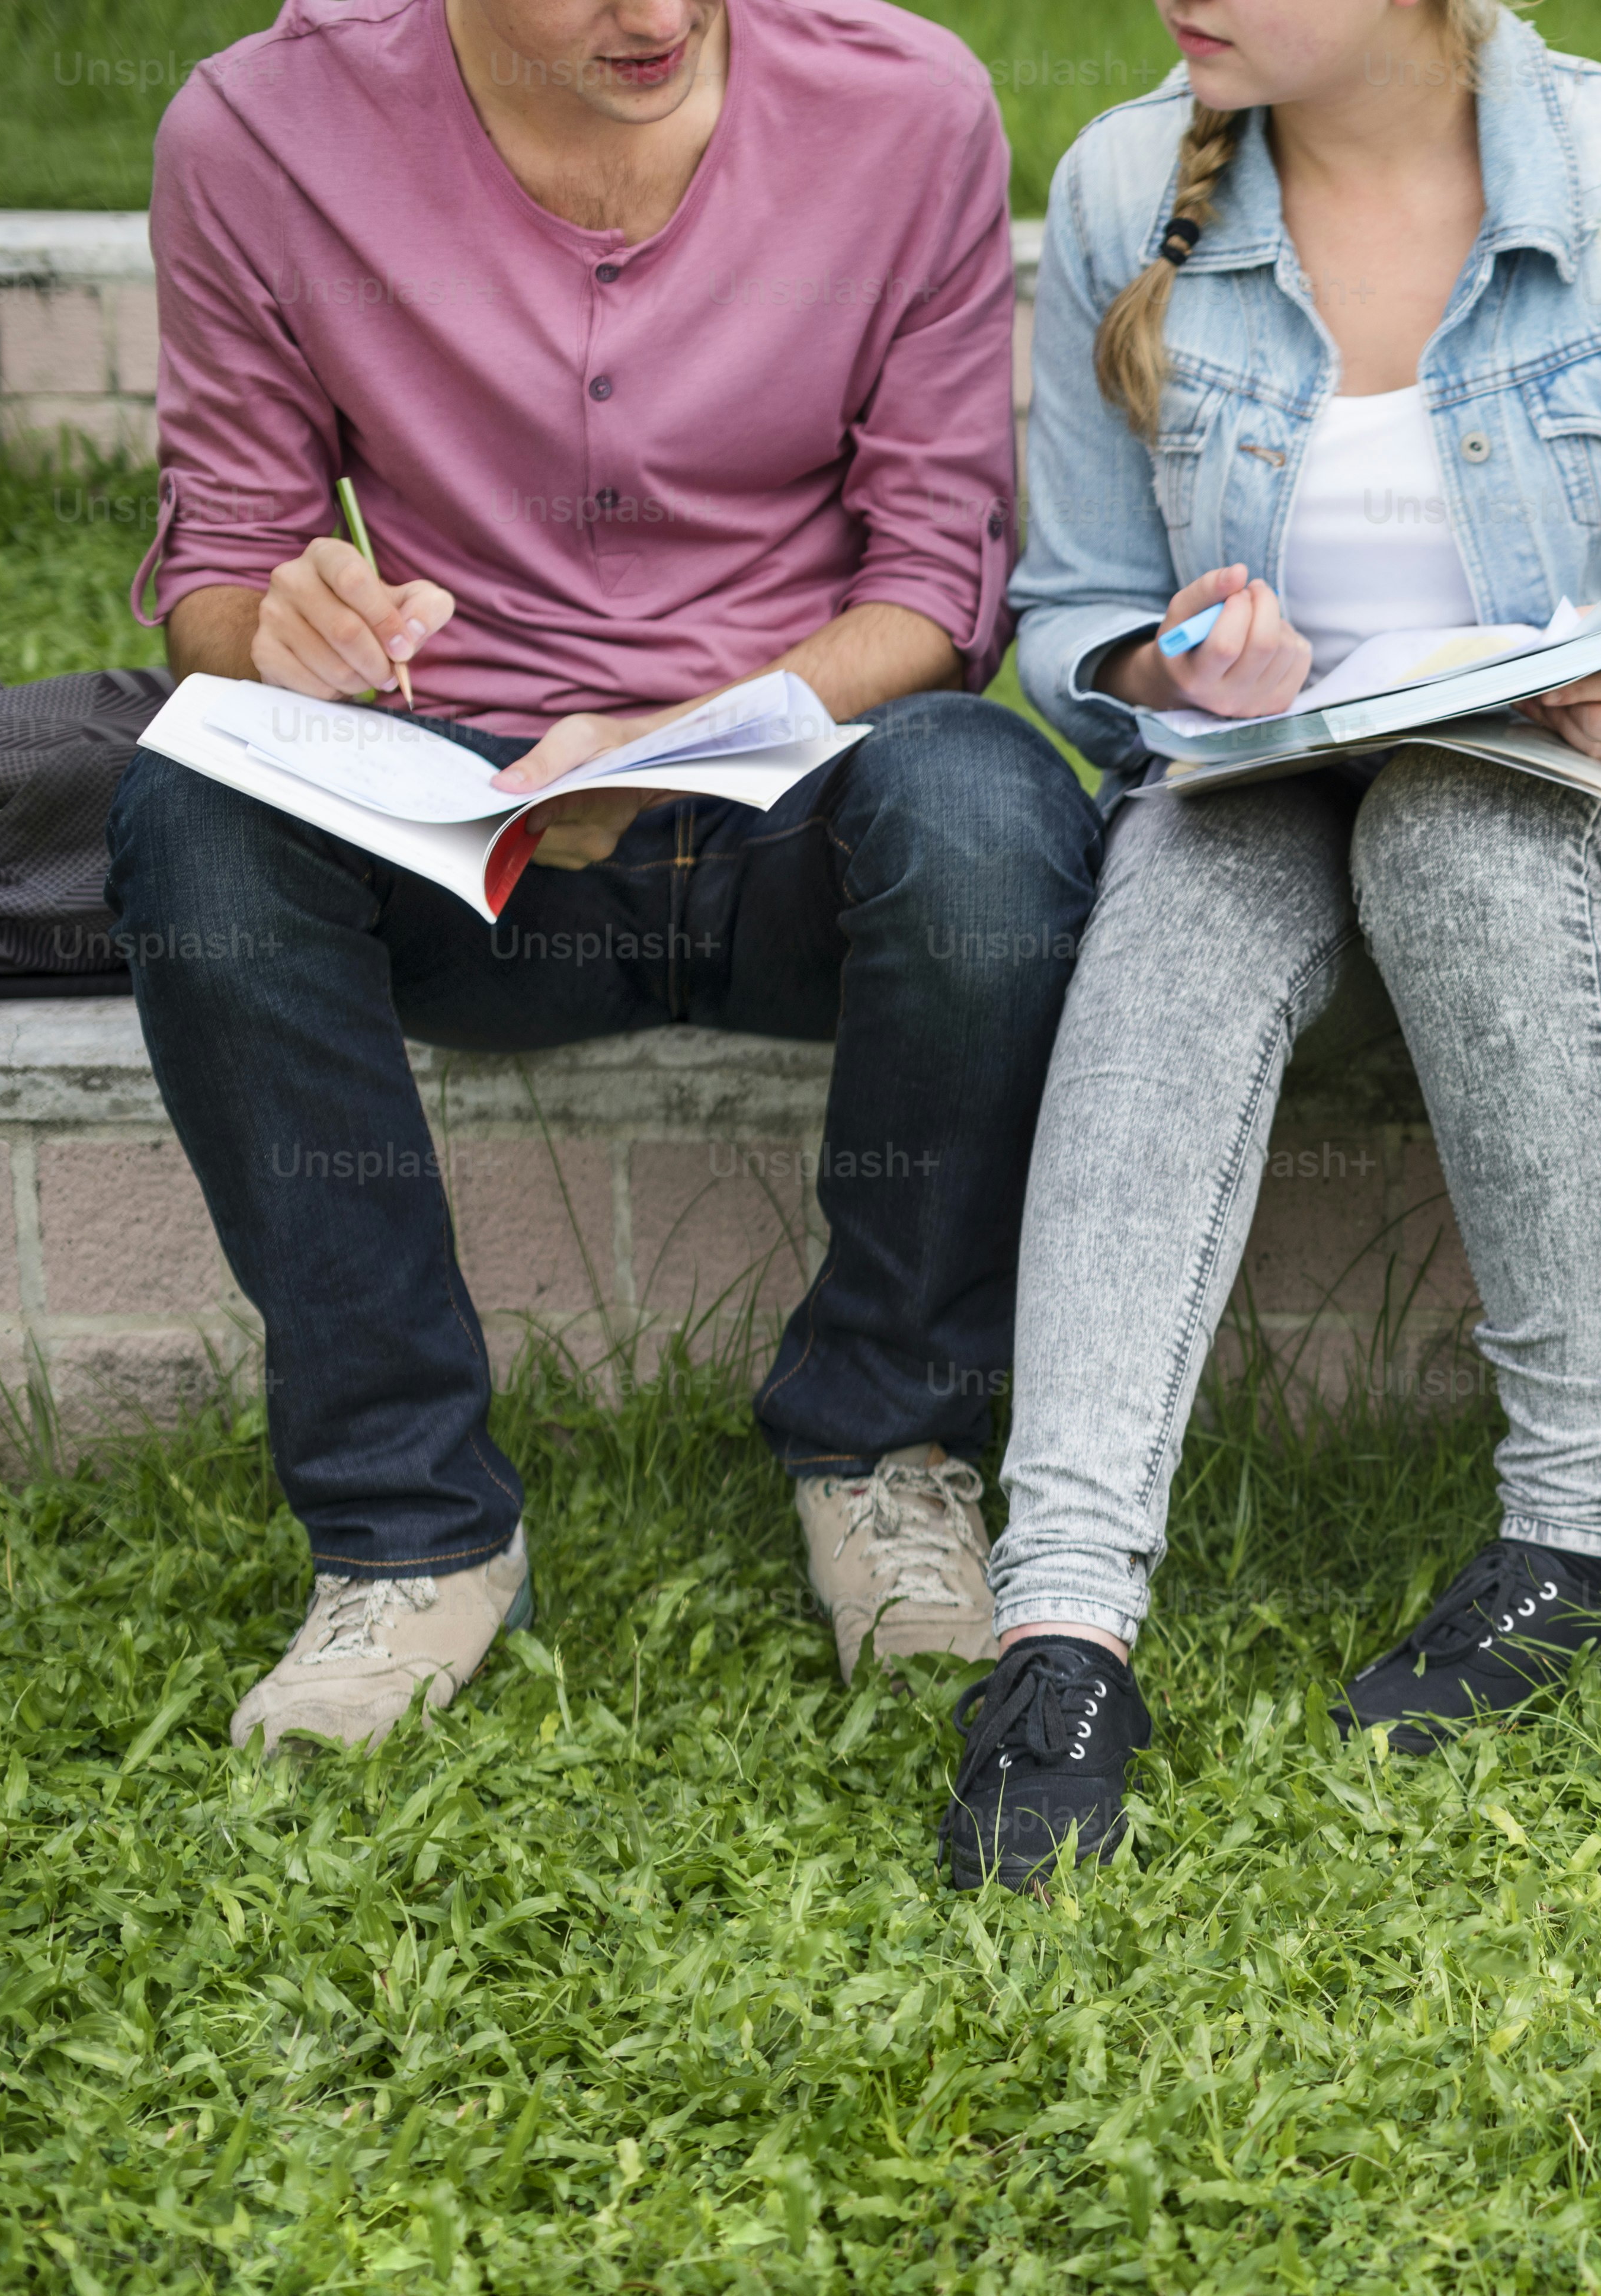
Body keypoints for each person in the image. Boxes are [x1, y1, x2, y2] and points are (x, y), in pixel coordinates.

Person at [110, 0, 1100, 1750]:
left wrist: (680, 736)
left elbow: (940, 587)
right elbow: (219, 577)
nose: (653, 13)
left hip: (796, 801)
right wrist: (282, 626)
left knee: (988, 809)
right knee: (189, 814)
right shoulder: (257, 133)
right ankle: (411, 1534)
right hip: (469, 837)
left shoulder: (906, 104)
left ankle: (883, 1441)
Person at [939, 0, 1601, 1888]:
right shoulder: (1118, 184)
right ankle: (1059, 1641)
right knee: (1177, 874)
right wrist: (1175, 665)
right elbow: (1076, 609)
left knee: (1452, 833)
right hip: (1273, 785)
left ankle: (1583, 1529)